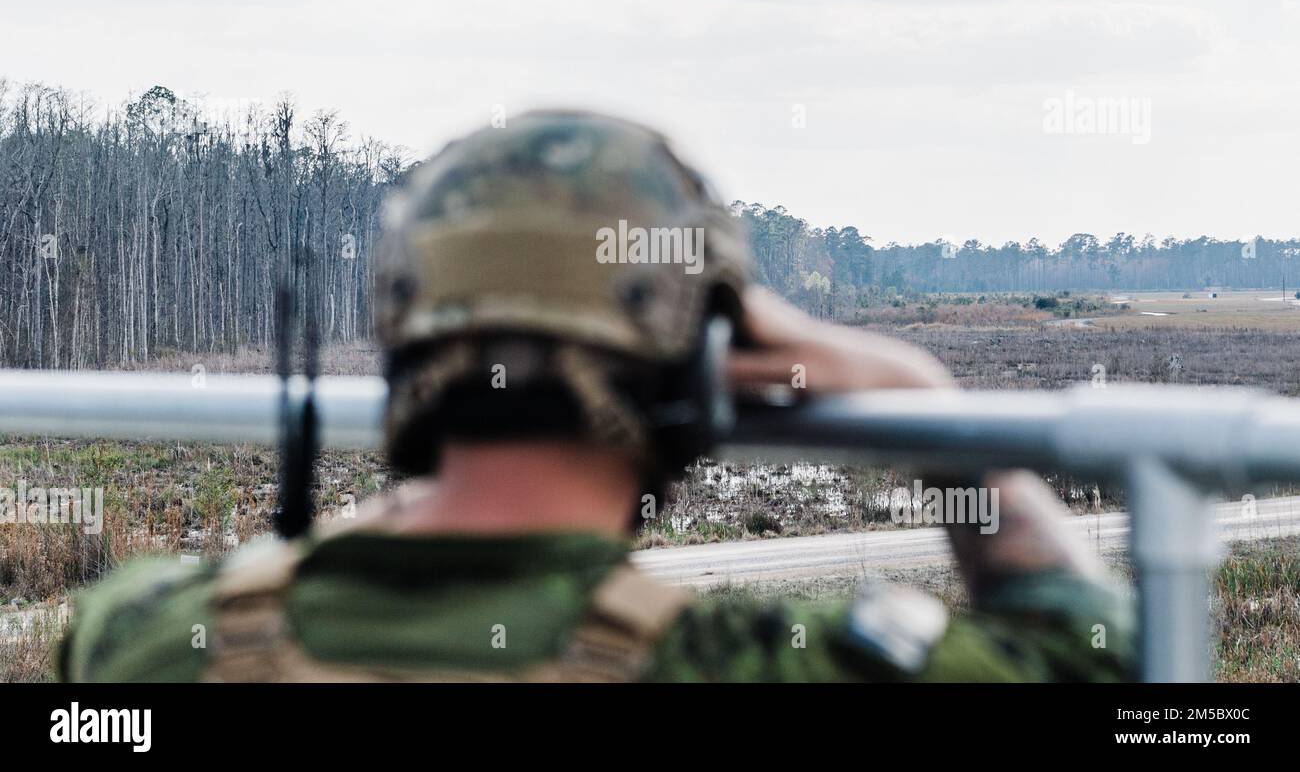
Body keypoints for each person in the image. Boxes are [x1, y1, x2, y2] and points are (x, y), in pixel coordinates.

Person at [61, 110, 1132, 682]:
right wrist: (921, 391)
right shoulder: (729, 663)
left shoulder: (141, 629)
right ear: (703, 362)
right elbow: (1097, 657)